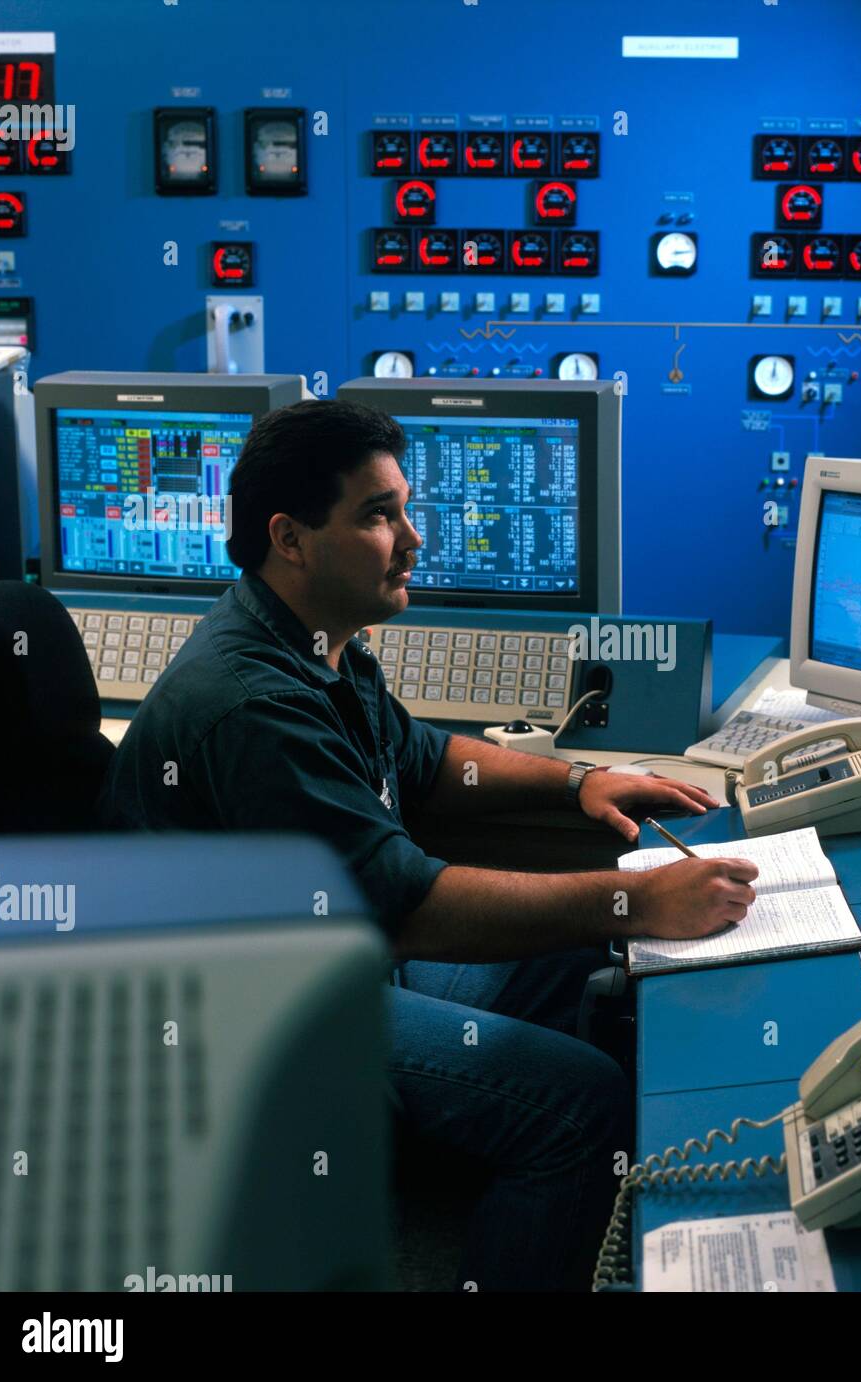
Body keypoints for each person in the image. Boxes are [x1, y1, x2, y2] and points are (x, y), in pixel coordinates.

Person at [97, 399, 758, 1290]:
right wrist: (630, 896)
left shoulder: (319, 639)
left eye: (405, 508)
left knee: (593, 962)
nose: (413, 539)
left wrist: (577, 781)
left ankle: (469, 1163)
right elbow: (405, 903)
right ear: (289, 538)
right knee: (581, 1104)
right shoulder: (252, 704)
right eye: (379, 516)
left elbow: (425, 761)